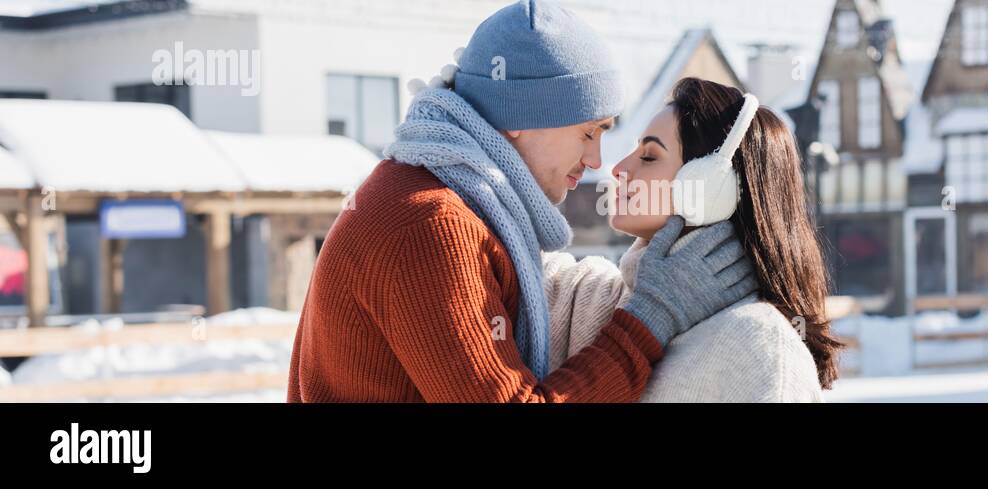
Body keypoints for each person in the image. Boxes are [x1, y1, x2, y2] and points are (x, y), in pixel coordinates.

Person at [287, 1, 756, 403]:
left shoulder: (430, 196)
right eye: (588, 131)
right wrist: (653, 316)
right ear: (521, 115)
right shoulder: (430, 225)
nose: (596, 160)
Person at [545, 78, 843, 402]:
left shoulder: (760, 345)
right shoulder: (600, 301)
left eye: (649, 156)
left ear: (711, 186)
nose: (618, 169)